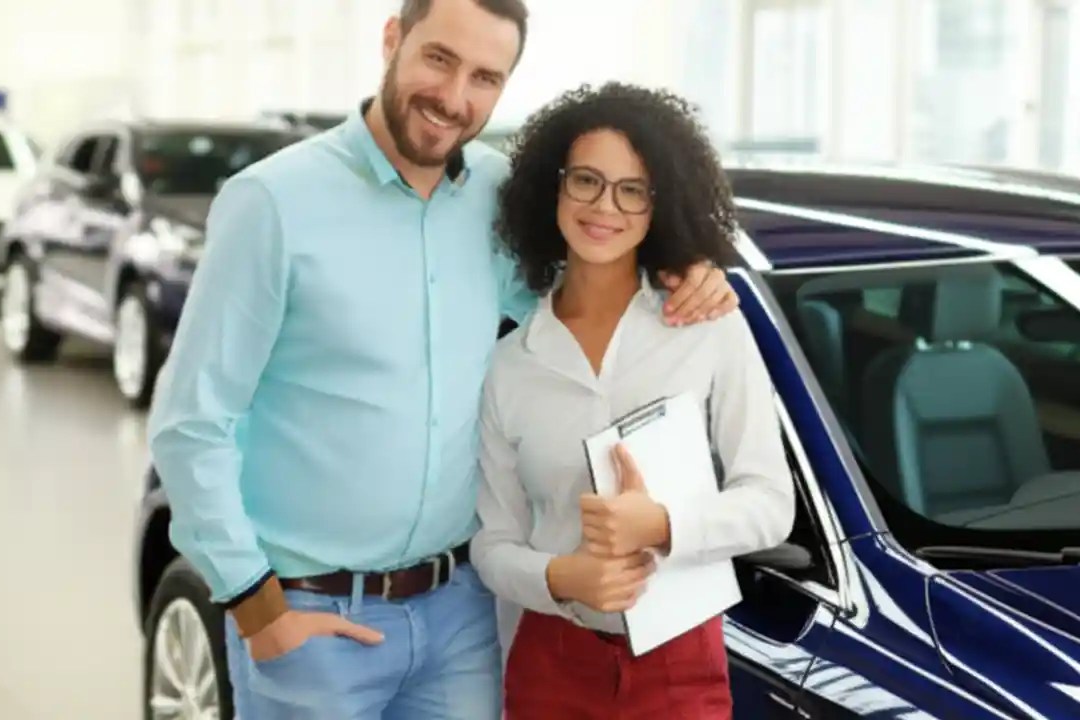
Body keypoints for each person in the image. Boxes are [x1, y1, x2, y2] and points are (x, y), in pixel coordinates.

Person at [147, 1, 738, 718]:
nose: (455, 98)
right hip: (317, 619)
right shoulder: (273, 202)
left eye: (485, 77)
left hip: (461, 615)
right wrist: (257, 606)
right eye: (439, 59)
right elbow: (191, 422)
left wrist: (683, 265)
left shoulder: (497, 197)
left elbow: (585, 290)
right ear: (393, 39)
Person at [469, 82, 796, 719]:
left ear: (659, 204)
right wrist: (563, 577)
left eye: (633, 189)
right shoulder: (511, 364)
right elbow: (494, 542)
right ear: (553, 188)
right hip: (550, 664)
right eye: (586, 180)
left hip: (678, 664)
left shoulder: (708, 325)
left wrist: (663, 526)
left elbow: (770, 503)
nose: (604, 206)